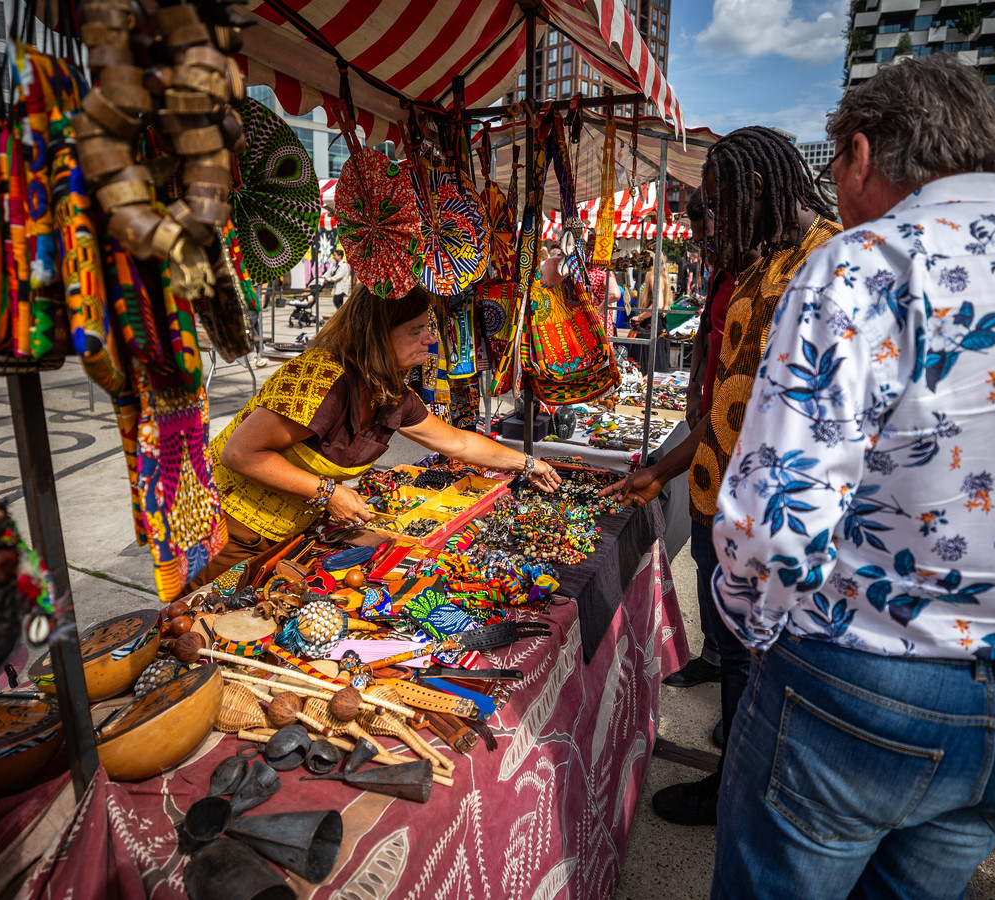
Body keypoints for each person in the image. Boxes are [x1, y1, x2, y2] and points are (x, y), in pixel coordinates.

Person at [707, 55, 995, 899]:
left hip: (858, 686)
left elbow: (775, 521)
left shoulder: (864, 266)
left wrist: (756, 628)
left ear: (858, 152)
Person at [604, 126, 840, 827]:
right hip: (716, 500)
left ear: (757, 189)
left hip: (773, 520)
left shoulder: (826, 262)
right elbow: (723, 405)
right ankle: (737, 773)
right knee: (736, 656)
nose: (708, 221)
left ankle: (735, 789)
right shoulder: (761, 262)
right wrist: (662, 472)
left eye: (717, 203)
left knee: (758, 663)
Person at [186, 284, 562, 590]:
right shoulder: (322, 379)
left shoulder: (389, 392)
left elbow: (457, 442)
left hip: (284, 533)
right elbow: (240, 452)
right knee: (191, 636)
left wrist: (527, 463)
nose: (430, 340)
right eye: (416, 331)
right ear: (377, 336)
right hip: (225, 528)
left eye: (427, 328)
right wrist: (328, 492)